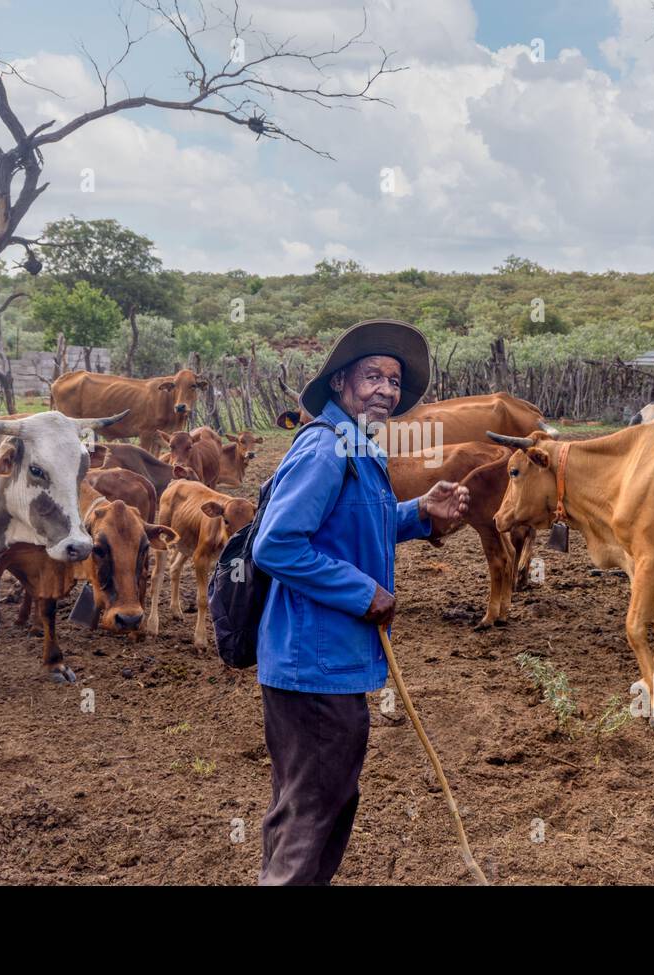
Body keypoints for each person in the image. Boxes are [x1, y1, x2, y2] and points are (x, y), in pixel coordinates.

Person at [251, 318, 469, 886]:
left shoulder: (356, 447)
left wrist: (420, 512)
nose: (386, 391)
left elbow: (355, 526)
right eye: (372, 376)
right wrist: (361, 591)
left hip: (326, 662)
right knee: (316, 811)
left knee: (309, 807)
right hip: (314, 666)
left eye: (394, 382)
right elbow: (276, 544)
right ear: (341, 383)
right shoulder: (326, 450)